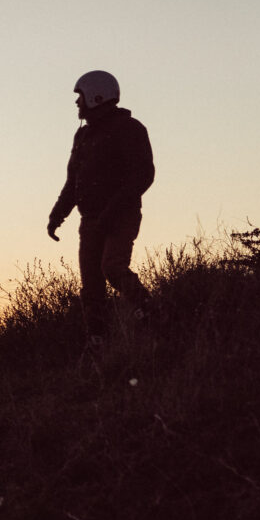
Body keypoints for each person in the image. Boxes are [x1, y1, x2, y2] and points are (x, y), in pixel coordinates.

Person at [46, 71, 154, 342]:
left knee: (113, 268)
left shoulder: (130, 129)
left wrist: (113, 210)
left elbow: (143, 175)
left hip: (121, 216)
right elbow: (73, 182)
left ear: (96, 96)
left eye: (79, 97)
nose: (77, 103)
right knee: (91, 288)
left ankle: (153, 312)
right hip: (90, 220)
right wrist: (57, 215)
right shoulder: (82, 136)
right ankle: (97, 342)